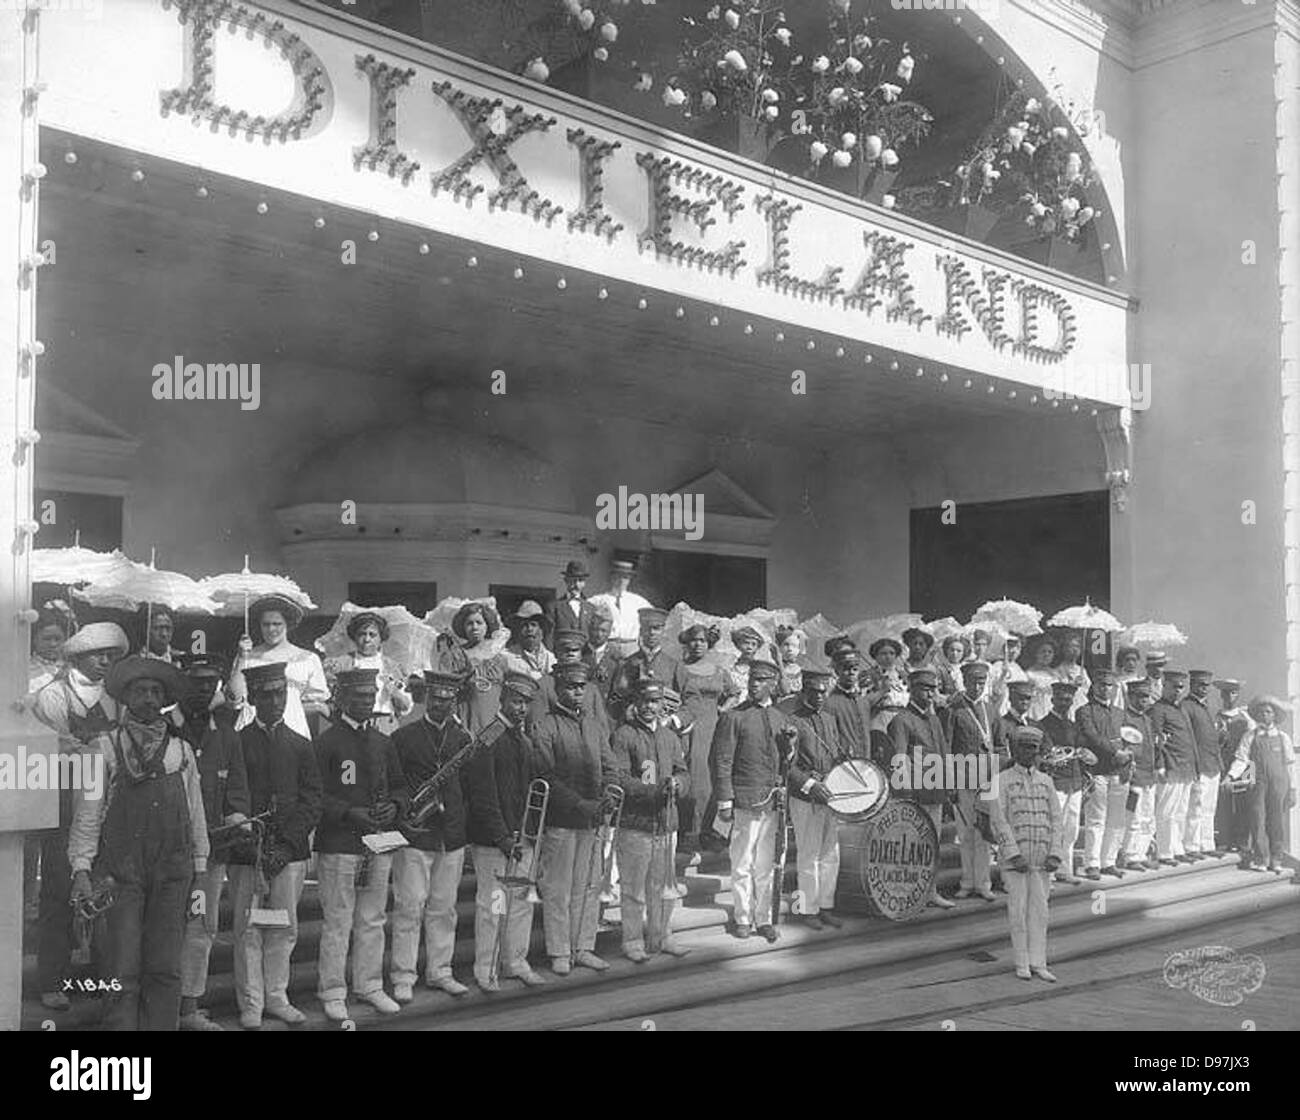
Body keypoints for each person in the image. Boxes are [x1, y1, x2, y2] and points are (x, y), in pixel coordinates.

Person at [68, 655, 209, 1030]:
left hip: (173, 871)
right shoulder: (105, 748)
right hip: (120, 872)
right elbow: (87, 815)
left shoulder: (182, 752)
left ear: (163, 699)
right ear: (126, 697)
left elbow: (196, 814)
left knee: (165, 966)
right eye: (140, 691)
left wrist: (199, 869)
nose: (148, 698)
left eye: (155, 692)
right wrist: (82, 869)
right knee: (121, 966)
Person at [31, 620, 129, 1012]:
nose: (105, 661)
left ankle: (98, 975)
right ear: (79, 657)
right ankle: (51, 979)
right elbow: (58, 746)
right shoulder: (53, 696)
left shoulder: (116, 698)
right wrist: (97, 751)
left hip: (107, 806)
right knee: (58, 890)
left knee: (106, 890)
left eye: (111, 655)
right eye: (98, 655)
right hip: (61, 803)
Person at [228, 661, 322, 1028]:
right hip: (246, 853)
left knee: (283, 926)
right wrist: (250, 845)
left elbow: (313, 799)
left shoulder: (300, 745)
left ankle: (276, 996)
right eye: (265, 694)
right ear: (252, 697)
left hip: (289, 854)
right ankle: (251, 1002)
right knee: (248, 928)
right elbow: (231, 798)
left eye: (280, 693)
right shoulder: (237, 742)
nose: (274, 701)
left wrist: (286, 845)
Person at [313, 668, 409, 1022]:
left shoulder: (384, 742)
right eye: (358, 697)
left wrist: (395, 805)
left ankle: (369, 985)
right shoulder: (326, 743)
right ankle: (333, 990)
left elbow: (401, 786)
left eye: (370, 697)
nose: (366, 703)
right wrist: (349, 813)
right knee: (338, 920)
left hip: (378, 842)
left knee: (372, 918)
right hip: (340, 843)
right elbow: (314, 795)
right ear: (341, 699)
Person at [176, 653, 250, 1031]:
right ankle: (158, 1005)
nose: (204, 687)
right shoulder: (166, 727)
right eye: (196, 680)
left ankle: (188, 1007)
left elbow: (236, 787)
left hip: (209, 857)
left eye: (211, 681)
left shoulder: (226, 733)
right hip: (167, 855)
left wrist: (236, 816)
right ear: (182, 681)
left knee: (201, 923)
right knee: (162, 926)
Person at [390, 671, 472, 1000]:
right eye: (436, 698)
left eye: (447, 699)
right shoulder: (404, 737)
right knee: (409, 906)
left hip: (451, 833)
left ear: (455, 701)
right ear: (426, 698)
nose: (441, 704)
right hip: (416, 832)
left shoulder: (464, 739)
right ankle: (403, 976)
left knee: (444, 907)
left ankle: (440, 970)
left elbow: (469, 787)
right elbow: (395, 783)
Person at [532, 660, 616, 975]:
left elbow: (610, 765)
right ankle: (559, 952)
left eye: (582, 686)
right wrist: (581, 804)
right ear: (557, 689)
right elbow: (545, 774)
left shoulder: (594, 726)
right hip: (560, 821)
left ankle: (583, 947)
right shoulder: (546, 725)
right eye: (570, 686)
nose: (577, 692)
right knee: (557, 888)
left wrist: (610, 792)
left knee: (589, 886)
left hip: (592, 820)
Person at [464, 672, 547, 992]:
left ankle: (516, 961)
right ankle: (486, 969)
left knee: (522, 902)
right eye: (516, 701)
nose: (521, 708)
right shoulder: (489, 737)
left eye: (526, 703)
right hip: (495, 842)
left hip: (520, 837)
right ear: (502, 700)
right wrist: (502, 837)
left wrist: (523, 835)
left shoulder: (521, 740)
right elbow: (483, 796)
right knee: (493, 906)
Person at [712, 658, 797, 941]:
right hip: (746, 801)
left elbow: (787, 763)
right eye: (751, 680)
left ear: (773, 684)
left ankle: (764, 919)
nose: (753, 684)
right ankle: (743, 918)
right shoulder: (734, 717)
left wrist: (790, 747)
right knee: (742, 862)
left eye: (760, 681)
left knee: (767, 864)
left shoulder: (781, 719)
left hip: (773, 803)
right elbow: (721, 761)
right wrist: (725, 800)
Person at [609, 680, 691, 961]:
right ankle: (632, 942)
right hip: (635, 824)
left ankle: (662, 937)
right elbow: (619, 778)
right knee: (633, 889)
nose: (649, 707)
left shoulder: (670, 737)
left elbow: (684, 772)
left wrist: (678, 784)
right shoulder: (624, 735)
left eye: (654, 702)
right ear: (635, 703)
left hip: (666, 823)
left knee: (663, 887)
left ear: (661, 705)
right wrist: (653, 790)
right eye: (644, 701)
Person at [993, 725, 1065, 983]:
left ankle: (1039, 962)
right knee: (1018, 911)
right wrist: (1013, 854)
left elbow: (1057, 820)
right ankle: (1021, 962)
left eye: (1034, 748)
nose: (1029, 753)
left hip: (1041, 859)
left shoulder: (1046, 782)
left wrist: (1055, 852)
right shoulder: (1000, 781)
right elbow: (998, 820)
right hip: (1016, 862)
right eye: (1024, 747)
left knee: (1040, 912)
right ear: (1015, 749)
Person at [887, 667, 956, 910]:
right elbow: (899, 758)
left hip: (935, 791)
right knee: (911, 846)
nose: (929, 694)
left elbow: (944, 753)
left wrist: (949, 786)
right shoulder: (901, 720)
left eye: (933, 689)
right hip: (914, 794)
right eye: (924, 689)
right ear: (912, 690)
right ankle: (908, 894)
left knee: (932, 844)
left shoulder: (935, 719)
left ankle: (930, 891)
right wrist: (905, 795)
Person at [941, 661, 1006, 900]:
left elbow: (1000, 745)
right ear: (964, 683)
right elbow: (946, 748)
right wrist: (950, 783)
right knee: (966, 833)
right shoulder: (954, 710)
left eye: (981, 682)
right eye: (972, 682)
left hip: (988, 780)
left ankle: (984, 883)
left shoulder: (991, 709)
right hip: (964, 779)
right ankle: (967, 882)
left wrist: (998, 771)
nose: (977, 686)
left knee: (985, 833)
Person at [786, 668, 846, 928]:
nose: (820, 696)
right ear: (804, 691)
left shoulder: (831, 720)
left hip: (830, 794)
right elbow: (786, 765)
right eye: (815, 691)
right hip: (805, 796)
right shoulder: (792, 721)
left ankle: (825, 906)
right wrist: (810, 785)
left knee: (831, 853)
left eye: (824, 691)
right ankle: (806, 910)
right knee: (808, 854)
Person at [676, 623, 740, 854]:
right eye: (693, 640)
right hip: (691, 729)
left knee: (718, 778)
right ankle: (690, 832)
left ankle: (714, 832)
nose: (697, 644)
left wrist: (723, 709)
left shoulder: (719, 670)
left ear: (709, 643)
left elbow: (734, 692)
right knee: (696, 780)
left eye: (702, 640)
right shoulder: (680, 669)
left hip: (716, 727)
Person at [229, 595, 329, 741]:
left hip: (292, 728)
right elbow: (234, 699)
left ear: (287, 624)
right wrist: (242, 657)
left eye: (277, 624)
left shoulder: (308, 659)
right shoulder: (248, 656)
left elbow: (317, 703)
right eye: (266, 624)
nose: (271, 629)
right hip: (252, 728)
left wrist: (295, 708)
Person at [1075, 670, 1132, 880]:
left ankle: (1109, 861)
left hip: (1118, 771)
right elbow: (1091, 737)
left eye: (1109, 685)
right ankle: (1092, 863)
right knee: (1096, 818)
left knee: (1116, 819)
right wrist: (1115, 751)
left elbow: (1128, 736)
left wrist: (1127, 753)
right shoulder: (1084, 711)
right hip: (1097, 771)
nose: (1105, 689)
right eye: (1101, 684)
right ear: (1094, 686)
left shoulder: (1120, 713)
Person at [321, 611, 413, 734]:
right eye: (362, 634)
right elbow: (326, 700)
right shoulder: (340, 665)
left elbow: (406, 706)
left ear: (381, 638)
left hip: (385, 725)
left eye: (372, 635)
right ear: (354, 637)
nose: (367, 639)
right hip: (351, 726)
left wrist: (394, 692)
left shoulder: (393, 667)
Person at [1235, 696, 1296, 873]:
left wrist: (1292, 790)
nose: (1265, 715)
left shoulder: (1283, 737)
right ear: (1257, 715)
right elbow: (1241, 759)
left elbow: (1290, 764)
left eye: (1268, 712)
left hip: (1279, 785)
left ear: (1275, 716)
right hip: (1257, 783)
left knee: (1276, 821)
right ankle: (1262, 858)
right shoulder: (1251, 736)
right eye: (1261, 712)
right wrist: (1232, 776)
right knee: (1258, 819)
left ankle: (1276, 859)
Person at [1037, 680, 1088, 885]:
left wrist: (1084, 776)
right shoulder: (1043, 724)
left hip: (1074, 783)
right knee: (1053, 828)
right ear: (1052, 700)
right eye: (1061, 699)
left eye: (1068, 699)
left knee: (1071, 828)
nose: (1065, 703)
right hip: (1056, 781)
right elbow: (1049, 754)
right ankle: (1047, 872)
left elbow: (1082, 751)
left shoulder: (1074, 726)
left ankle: (1064, 869)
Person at [1149, 669, 1197, 866]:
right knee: (1166, 811)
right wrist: (1160, 765)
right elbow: (1155, 740)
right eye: (1173, 687)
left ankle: (1177, 848)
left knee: (1181, 810)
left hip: (1186, 767)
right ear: (1164, 687)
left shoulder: (1182, 709)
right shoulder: (1158, 709)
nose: (1177, 691)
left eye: (1181, 687)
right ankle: (1165, 852)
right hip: (1170, 766)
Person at [442, 601, 511, 735]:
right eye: (469, 623)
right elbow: (447, 692)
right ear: (463, 627)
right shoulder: (455, 656)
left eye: (479, 623)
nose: (474, 627)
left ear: (487, 625)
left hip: (494, 724)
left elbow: (507, 694)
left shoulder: (499, 656)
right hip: (467, 722)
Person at [609, 607, 687, 723]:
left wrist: (674, 720)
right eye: (647, 629)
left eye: (656, 629)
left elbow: (689, 700)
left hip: (664, 729)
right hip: (633, 727)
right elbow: (614, 700)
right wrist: (626, 710)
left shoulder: (674, 665)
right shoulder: (627, 664)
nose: (651, 633)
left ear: (663, 632)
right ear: (641, 631)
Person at [533, 629, 611, 736]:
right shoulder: (543, 685)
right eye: (565, 650)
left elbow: (603, 728)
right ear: (556, 653)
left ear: (581, 654)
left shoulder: (591, 689)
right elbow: (536, 727)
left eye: (575, 650)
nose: (570, 653)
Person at [1119, 677, 1161, 871]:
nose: (1143, 700)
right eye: (1139, 696)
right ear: (1130, 697)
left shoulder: (1147, 720)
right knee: (1133, 817)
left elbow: (1152, 748)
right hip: (1134, 776)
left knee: (1147, 817)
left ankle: (1142, 853)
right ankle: (1129, 855)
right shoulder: (1125, 719)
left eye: (1146, 697)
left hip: (1148, 776)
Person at [1181, 669, 1224, 860]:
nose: (1204, 688)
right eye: (1200, 684)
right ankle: (1191, 846)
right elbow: (1188, 740)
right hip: (1199, 766)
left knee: (1209, 808)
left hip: (1213, 765)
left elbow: (1211, 738)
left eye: (1207, 685)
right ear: (1192, 685)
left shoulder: (1208, 707)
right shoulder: (1186, 706)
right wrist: (1195, 766)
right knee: (1195, 808)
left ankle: (1207, 844)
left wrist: (1221, 736)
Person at [1213, 679, 1254, 852]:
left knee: (1244, 801)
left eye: (1233, 693)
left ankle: (1242, 839)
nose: (1230, 696)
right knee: (1224, 800)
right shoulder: (1216, 717)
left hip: (1244, 764)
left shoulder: (1246, 717)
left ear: (1238, 695)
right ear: (1221, 695)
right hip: (1224, 763)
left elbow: (1252, 740)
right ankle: (1225, 838)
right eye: (1226, 693)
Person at [588, 558, 654, 657]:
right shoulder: (598, 600)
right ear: (612, 577)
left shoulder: (639, 602)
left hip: (632, 647)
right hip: (608, 646)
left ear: (630, 580)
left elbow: (654, 621)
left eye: (625, 577)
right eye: (618, 576)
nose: (621, 581)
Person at [822, 645, 875, 761]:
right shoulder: (829, 703)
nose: (851, 673)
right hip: (843, 764)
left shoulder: (863, 702)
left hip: (866, 762)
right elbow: (830, 738)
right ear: (837, 671)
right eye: (846, 669)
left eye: (855, 669)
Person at [863, 637, 909, 760]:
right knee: (883, 752)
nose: (888, 657)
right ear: (875, 656)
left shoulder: (903, 675)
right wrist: (881, 690)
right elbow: (864, 701)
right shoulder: (868, 675)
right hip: (880, 717)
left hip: (902, 716)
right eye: (883, 653)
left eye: (891, 653)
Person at [28, 599, 74, 697]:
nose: (53, 644)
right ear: (34, 639)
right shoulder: (24, 669)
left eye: (58, 639)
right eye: (47, 639)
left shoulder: (72, 667)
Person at [546, 559, 596, 640]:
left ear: (584, 583)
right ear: (566, 580)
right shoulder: (554, 607)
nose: (576, 585)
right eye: (573, 580)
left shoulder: (591, 609)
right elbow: (549, 637)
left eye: (580, 580)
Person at [505, 600, 556, 678]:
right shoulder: (507, 658)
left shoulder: (552, 659)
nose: (529, 629)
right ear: (518, 631)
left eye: (533, 625)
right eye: (524, 625)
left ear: (542, 631)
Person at [1051, 631, 1091, 717]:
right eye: (1071, 646)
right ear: (1064, 649)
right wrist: (1072, 684)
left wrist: (1083, 684)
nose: (1074, 650)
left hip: (1081, 705)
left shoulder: (1082, 670)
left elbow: (1088, 689)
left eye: (1077, 646)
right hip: (1067, 707)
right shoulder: (1057, 670)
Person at [988, 633, 1028, 715]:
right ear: (1004, 649)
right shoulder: (997, 666)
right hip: (1001, 710)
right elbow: (993, 691)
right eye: (1010, 646)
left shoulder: (1020, 670)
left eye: (1017, 647)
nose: (1014, 650)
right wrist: (1003, 675)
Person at [725, 625, 766, 703]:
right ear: (738, 645)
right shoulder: (730, 668)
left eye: (753, 644)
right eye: (746, 643)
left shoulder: (759, 669)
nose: (749, 647)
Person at [1024, 635, 1058, 721]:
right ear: (1036, 654)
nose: (1046, 654)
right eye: (1043, 651)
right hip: (1035, 710)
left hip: (1051, 710)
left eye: (1050, 652)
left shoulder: (1056, 675)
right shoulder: (1029, 674)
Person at [935, 635, 968, 705]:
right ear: (946, 651)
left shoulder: (967, 669)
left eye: (959, 651)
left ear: (964, 653)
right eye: (952, 650)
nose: (955, 653)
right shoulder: (940, 670)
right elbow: (936, 693)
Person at [774, 624, 804, 698]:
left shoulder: (799, 668)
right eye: (786, 645)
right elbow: (785, 690)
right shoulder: (776, 667)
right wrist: (779, 663)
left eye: (794, 645)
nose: (790, 649)